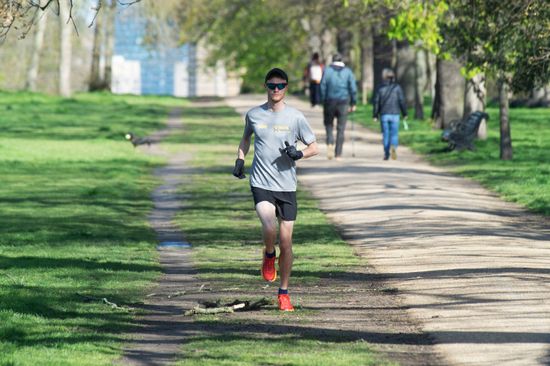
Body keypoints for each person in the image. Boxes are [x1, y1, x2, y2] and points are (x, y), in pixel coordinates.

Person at [233, 67, 318, 311]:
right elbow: (246, 138)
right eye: (272, 86)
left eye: (280, 86)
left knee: (287, 240)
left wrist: (298, 153)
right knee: (269, 226)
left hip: (287, 186)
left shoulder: (295, 117)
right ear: (266, 87)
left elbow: (314, 147)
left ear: (286, 88)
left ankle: (284, 293)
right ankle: (269, 255)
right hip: (261, 182)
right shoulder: (254, 115)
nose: (276, 90)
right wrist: (240, 159)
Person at [319, 53, 357, 160]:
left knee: (329, 125)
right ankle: (338, 154)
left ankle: (330, 142)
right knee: (341, 128)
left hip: (329, 101)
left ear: (333, 60)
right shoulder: (348, 72)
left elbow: (322, 86)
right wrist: (353, 103)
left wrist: (323, 99)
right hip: (343, 102)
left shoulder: (327, 71)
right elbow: (353, 88)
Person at [373, 68, 408, 160]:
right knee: (394, 134)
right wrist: (405, 113)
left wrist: (375, 115)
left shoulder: (380, 88)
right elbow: (401, 101)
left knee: (385, 134)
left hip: (384, 114)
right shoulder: (397, 88)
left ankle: (386, 153)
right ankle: (394, 148)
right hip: (395, 114)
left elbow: (376, 102)